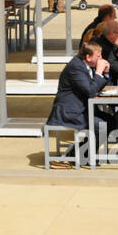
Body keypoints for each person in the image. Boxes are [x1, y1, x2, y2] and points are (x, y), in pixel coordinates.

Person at [46, 39, 112, 167]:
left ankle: (80, 153)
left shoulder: (86, 65)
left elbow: (94, 87)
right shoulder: (75, 67)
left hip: (81, 109)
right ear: (88, 57)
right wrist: (98, 72)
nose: (101, 59)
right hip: (69, 112)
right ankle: (79, 155)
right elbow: (90, 90)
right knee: (101, 125)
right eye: (98, 56)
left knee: (111, 121)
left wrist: (105, 74)